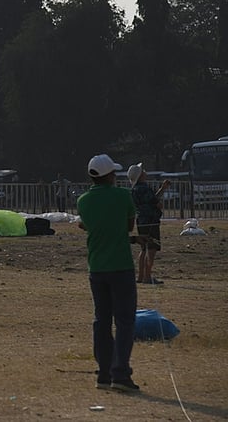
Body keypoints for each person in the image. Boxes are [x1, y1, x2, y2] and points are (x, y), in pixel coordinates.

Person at [76, 153, 139, 392]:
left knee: (101, 320)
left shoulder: (83, 201)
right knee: (124, 321)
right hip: (121, 266)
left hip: (97, 267)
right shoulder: (123, 196)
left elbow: (89, 225)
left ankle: (103, 372)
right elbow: (128, 226)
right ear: (111, 175)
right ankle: (120, 373)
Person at [127, 163, 167, 286]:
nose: (145, 171)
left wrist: (163, 188)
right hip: (151, 220)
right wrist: (159, 205)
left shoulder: (135, 189)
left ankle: (141, 276)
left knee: (144, 248)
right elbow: (156, 202)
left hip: (142, 220)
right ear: (140, 175)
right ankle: (147, 277)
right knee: (152, 248)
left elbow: (152, 199)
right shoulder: (144, 188)